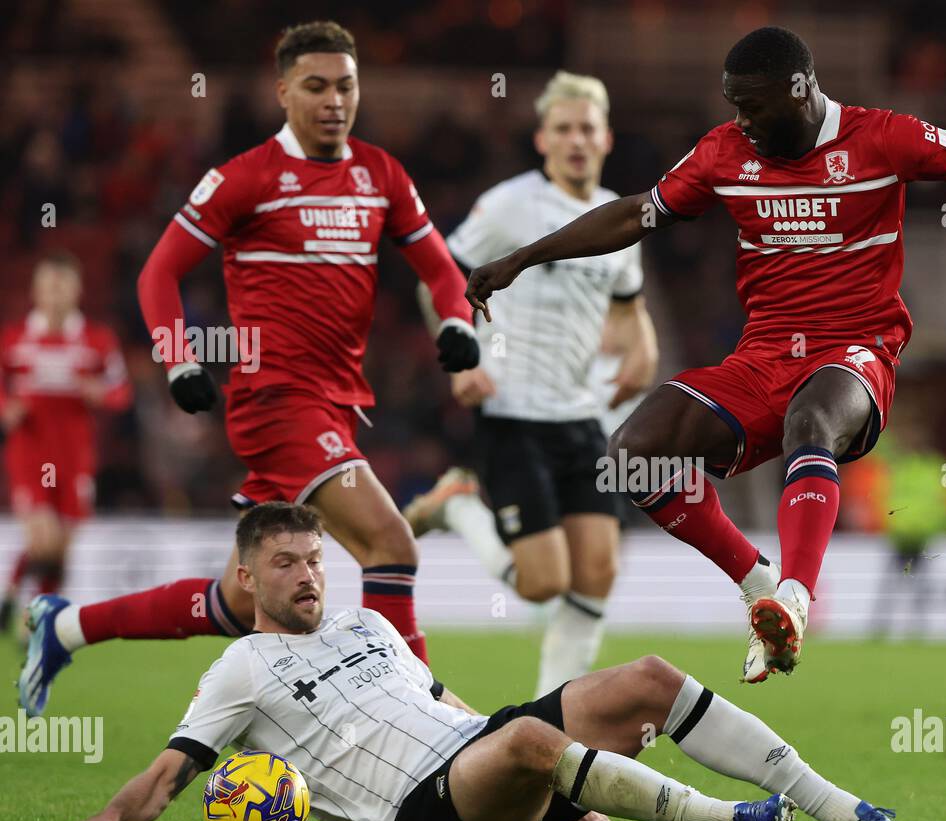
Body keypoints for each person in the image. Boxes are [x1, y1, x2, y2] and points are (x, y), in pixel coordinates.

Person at [464, 25, 946, 682]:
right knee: (634, 451)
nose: (742, 120)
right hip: (761, 358)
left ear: (800, 89)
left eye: (754, 104)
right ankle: (757, 580)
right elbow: (635, 214)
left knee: (811, 419)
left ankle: (796, 597)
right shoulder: (725, 152)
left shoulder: (883, 137)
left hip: (857, 352)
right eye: (734, 105)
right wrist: (521, 259)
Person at [19, 21, 479, 716]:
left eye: (346, 86)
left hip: (338, 404)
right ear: (283, 92)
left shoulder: (381, 174)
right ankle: (423, 725)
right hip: (276, 402)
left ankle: (65, 625)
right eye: (316, 86)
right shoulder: (246, 177)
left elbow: (442, 270)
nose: (334, 101)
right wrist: (179, 362)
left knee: (236, 602)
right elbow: (159, 274)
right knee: (393, 544)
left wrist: (455, 324)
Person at [51, 501, 932, 821]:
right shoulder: (240, 666)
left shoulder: (366, 624)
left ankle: (846, 815)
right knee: (531, 738)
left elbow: (445, 702)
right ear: (247, 578)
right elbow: (173, 769)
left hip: (483, 749)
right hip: (425, 809)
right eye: (286, 564)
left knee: (648, 678)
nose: (309, 576)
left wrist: (576, 795)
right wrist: (108, 816)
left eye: (316, 559)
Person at [405, 71, 658, 698]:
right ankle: (458, 506)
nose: (576, 140)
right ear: (543, 139)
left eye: (587, 129)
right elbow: (437, 277)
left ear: (606, 138)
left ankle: (556, 721)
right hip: (512, 409)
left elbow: (628, 304)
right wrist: (461, 358)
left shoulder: (622, 218)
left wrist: (644, 345)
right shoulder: (508, 207)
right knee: (543, 581)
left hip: (583, 416)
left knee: (597, 571)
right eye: (564, 129)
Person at [0, 252, 133, 631]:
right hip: (31, 451)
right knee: (43, 538)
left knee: (60, 549)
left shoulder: (97, 340)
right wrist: (7, 407)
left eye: (62, 286)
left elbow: (121, 390)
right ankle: (35, 624)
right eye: (48, 286)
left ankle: (14, 595)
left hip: (75, 454)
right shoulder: (14, 339)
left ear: (76, 290)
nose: (55, 294)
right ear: (35, 290)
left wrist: (100, 394)